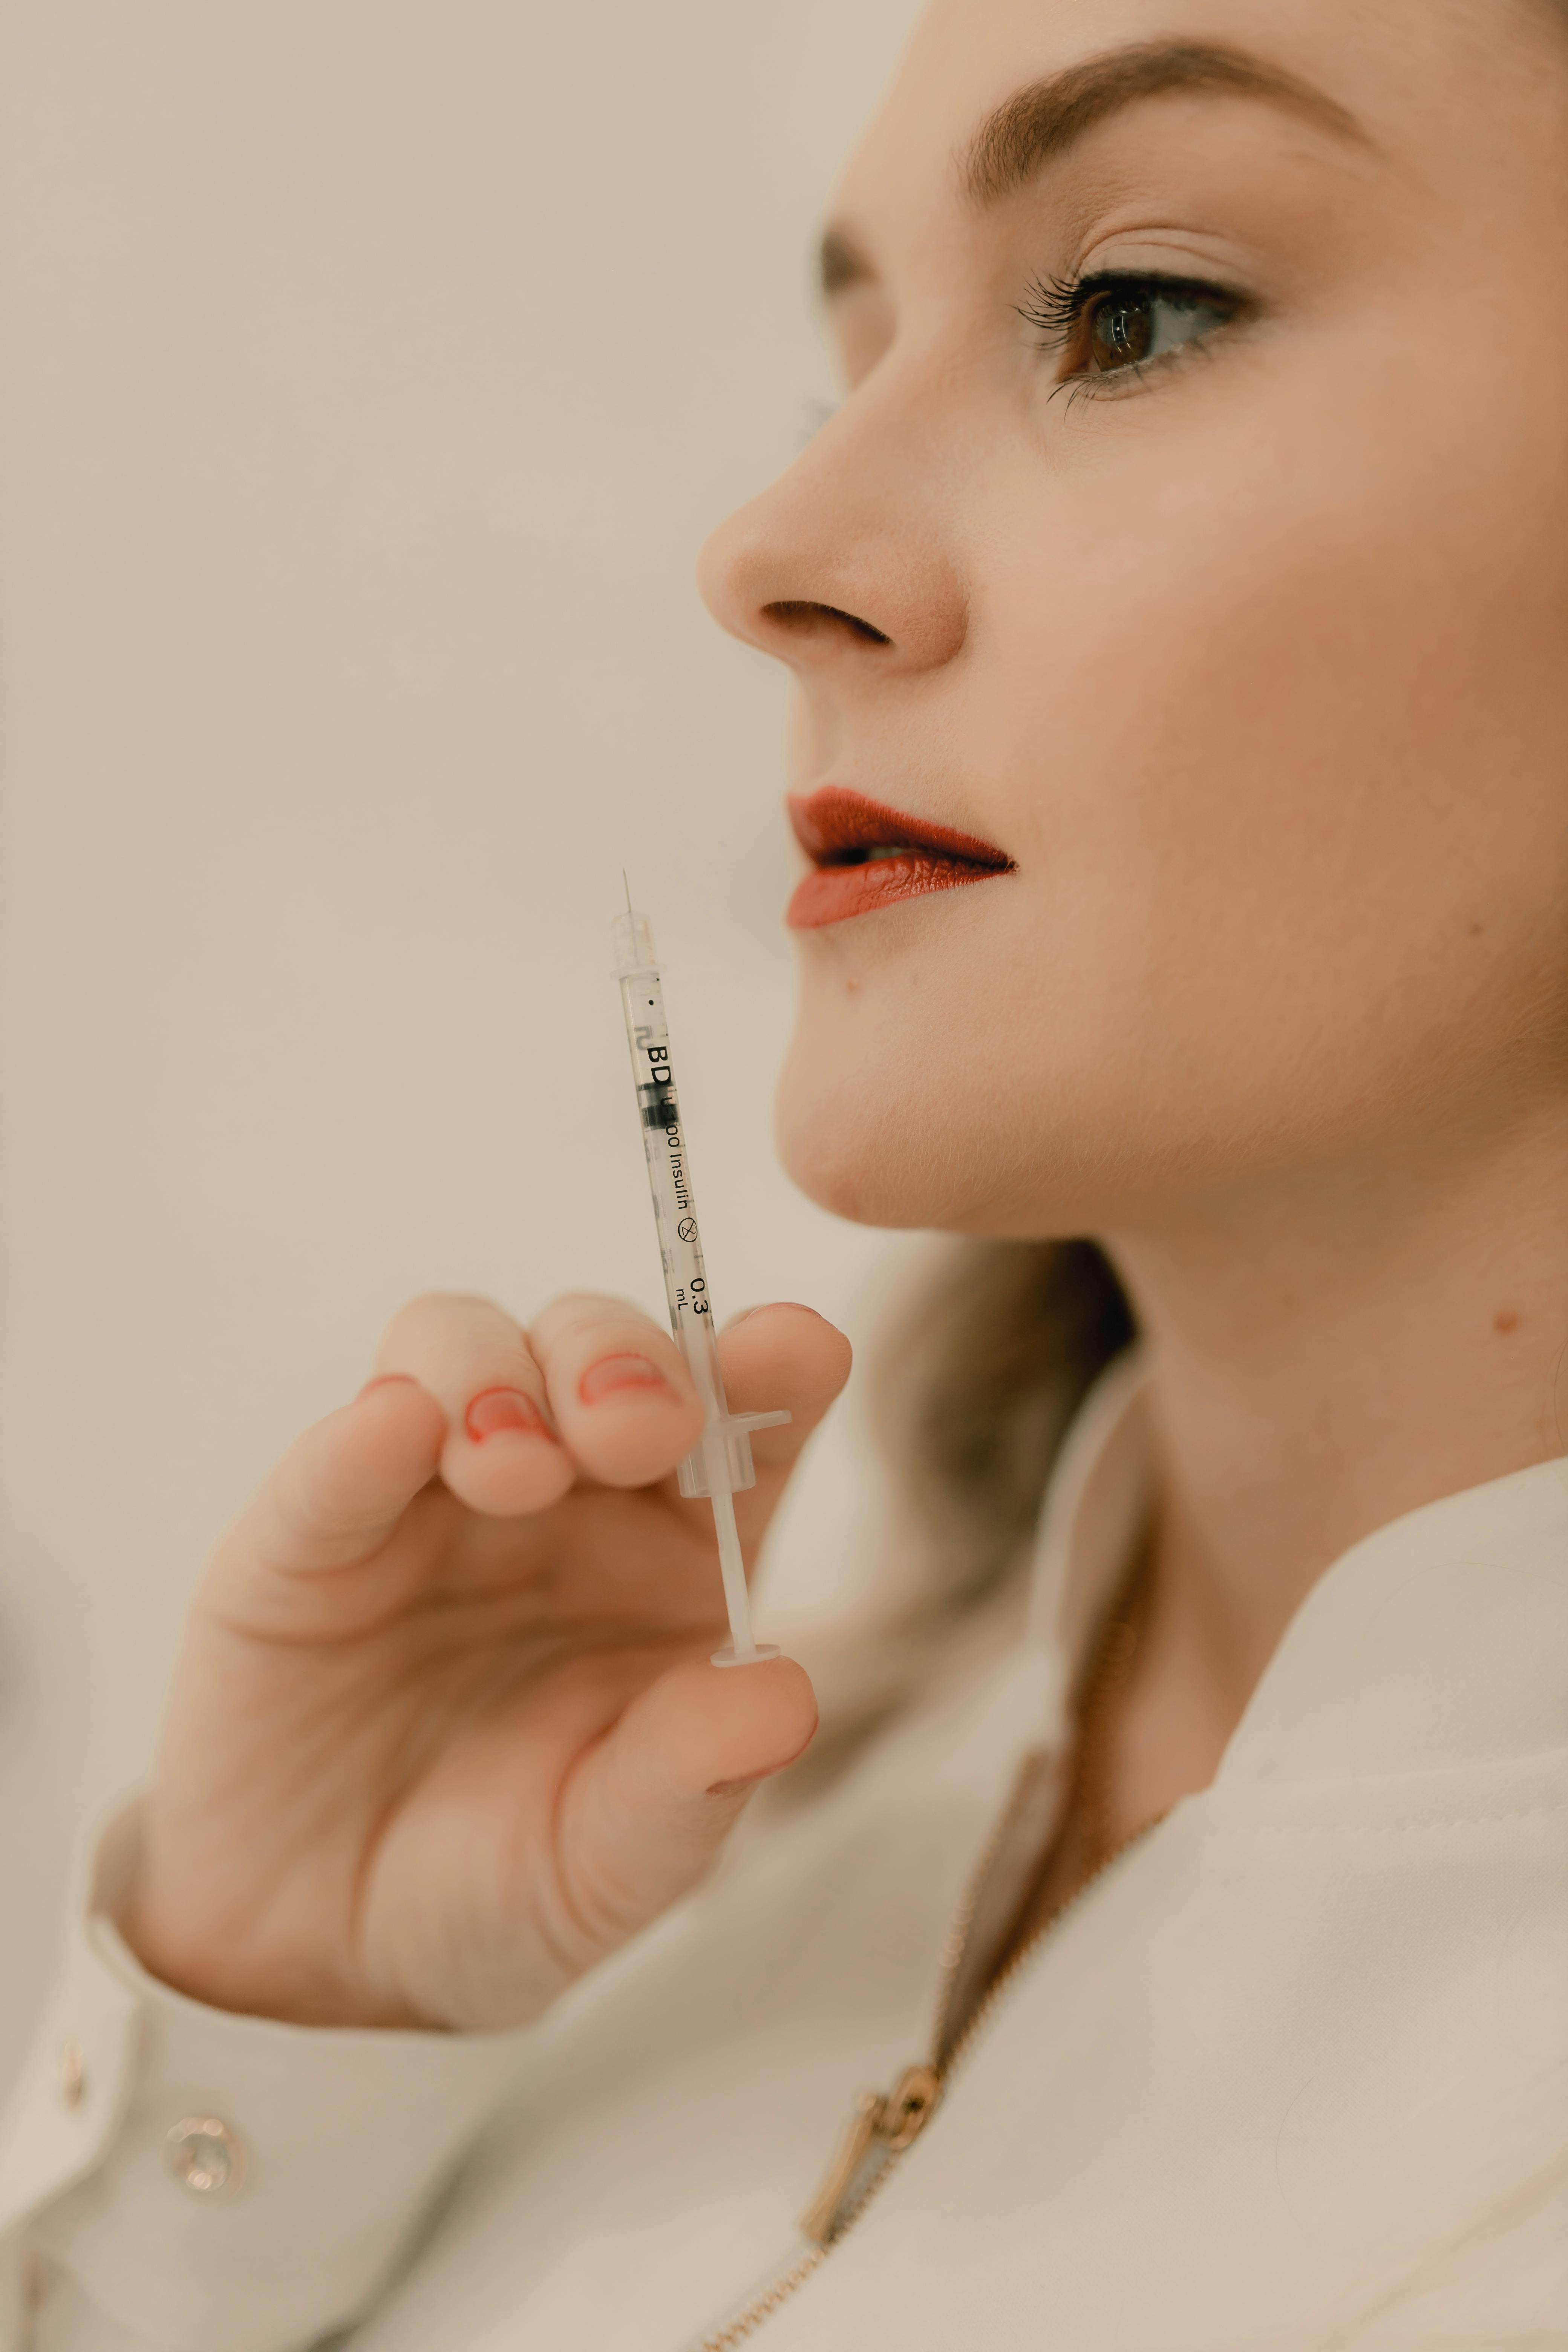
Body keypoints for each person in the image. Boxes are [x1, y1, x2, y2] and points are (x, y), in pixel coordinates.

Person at [3, 0, 1566, 2343]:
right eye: (846, 368)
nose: (769, 549)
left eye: (1129, 312)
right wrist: (268, 2083)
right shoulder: (681, 1871)